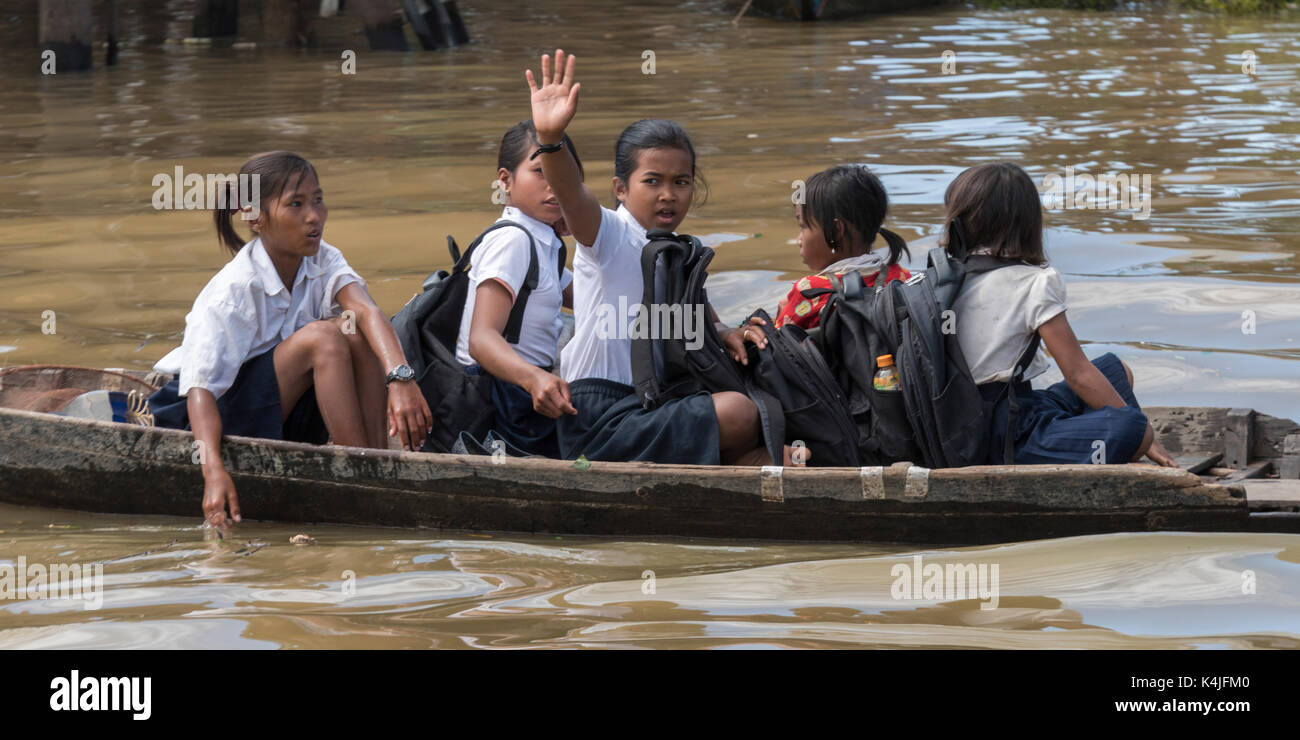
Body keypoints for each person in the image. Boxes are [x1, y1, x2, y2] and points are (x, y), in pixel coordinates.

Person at [526, 50, 795, 466]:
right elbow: (571, 194)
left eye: (680, 182)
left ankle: (762, 467)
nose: (668, 194)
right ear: (620, 188)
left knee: (763, 408)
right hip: (598, 415)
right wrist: (550, 141)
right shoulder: (608, 235)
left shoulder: (678, 252)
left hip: (650, 404)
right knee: (740, 412)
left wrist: (724, 330)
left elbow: (689, 312)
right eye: (652, 181)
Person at [149, 151, 432, 528]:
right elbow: (200, 391)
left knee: (352, 330)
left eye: (317, 200)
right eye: (296, 205)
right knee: (324, 338)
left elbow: (365, 311)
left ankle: (373, 463)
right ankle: (359, 482)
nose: (314, 216)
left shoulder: (323, 259)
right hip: (208, 420)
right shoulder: (233, 290)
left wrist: (401, 378)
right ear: (254, 217)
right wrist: (213, 473)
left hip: (280, 410)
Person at [943, 162, 1175, 466]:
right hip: (1010, 436)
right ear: (1026, 223)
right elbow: (1077, 374)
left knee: (1115, 369)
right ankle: (1129, 446)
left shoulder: (942, 278)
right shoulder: (1035, 281)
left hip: (965, 425)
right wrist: (1146, 437)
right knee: (1135, 428)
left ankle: (1114, 440)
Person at [454, 120, 580, 457]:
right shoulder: (513, 240)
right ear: (506, 180)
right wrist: (534, 380)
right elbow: (481, 340)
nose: (554, 184)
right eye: (540, 171)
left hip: (518, 390)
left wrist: (587, 229)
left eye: (563, 173)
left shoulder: (543, 240)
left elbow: (593, 299)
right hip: (501, 398)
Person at [775, 164, 911, 330]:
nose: (799, 240)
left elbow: (777, 344)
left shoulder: (809, 290)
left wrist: (784, 314)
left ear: (835, 231)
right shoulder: (901, 276)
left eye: (803, 227)